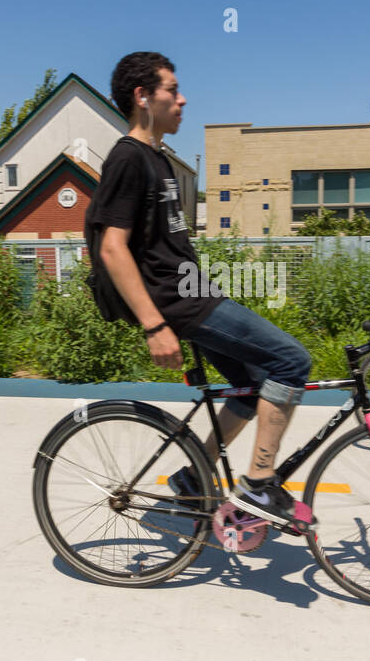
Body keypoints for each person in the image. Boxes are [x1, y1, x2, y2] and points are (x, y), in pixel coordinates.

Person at [85, 51, 314, 530]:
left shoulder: (158, 159)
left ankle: (194, 477)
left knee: (251, 389)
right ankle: (259, 484)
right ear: (142, 97)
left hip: (192, 294)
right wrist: (154, 325)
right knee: (291, 361)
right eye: (172, 89)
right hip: (180, 303)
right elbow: (112, 248)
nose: (183, 98)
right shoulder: (128, 158)